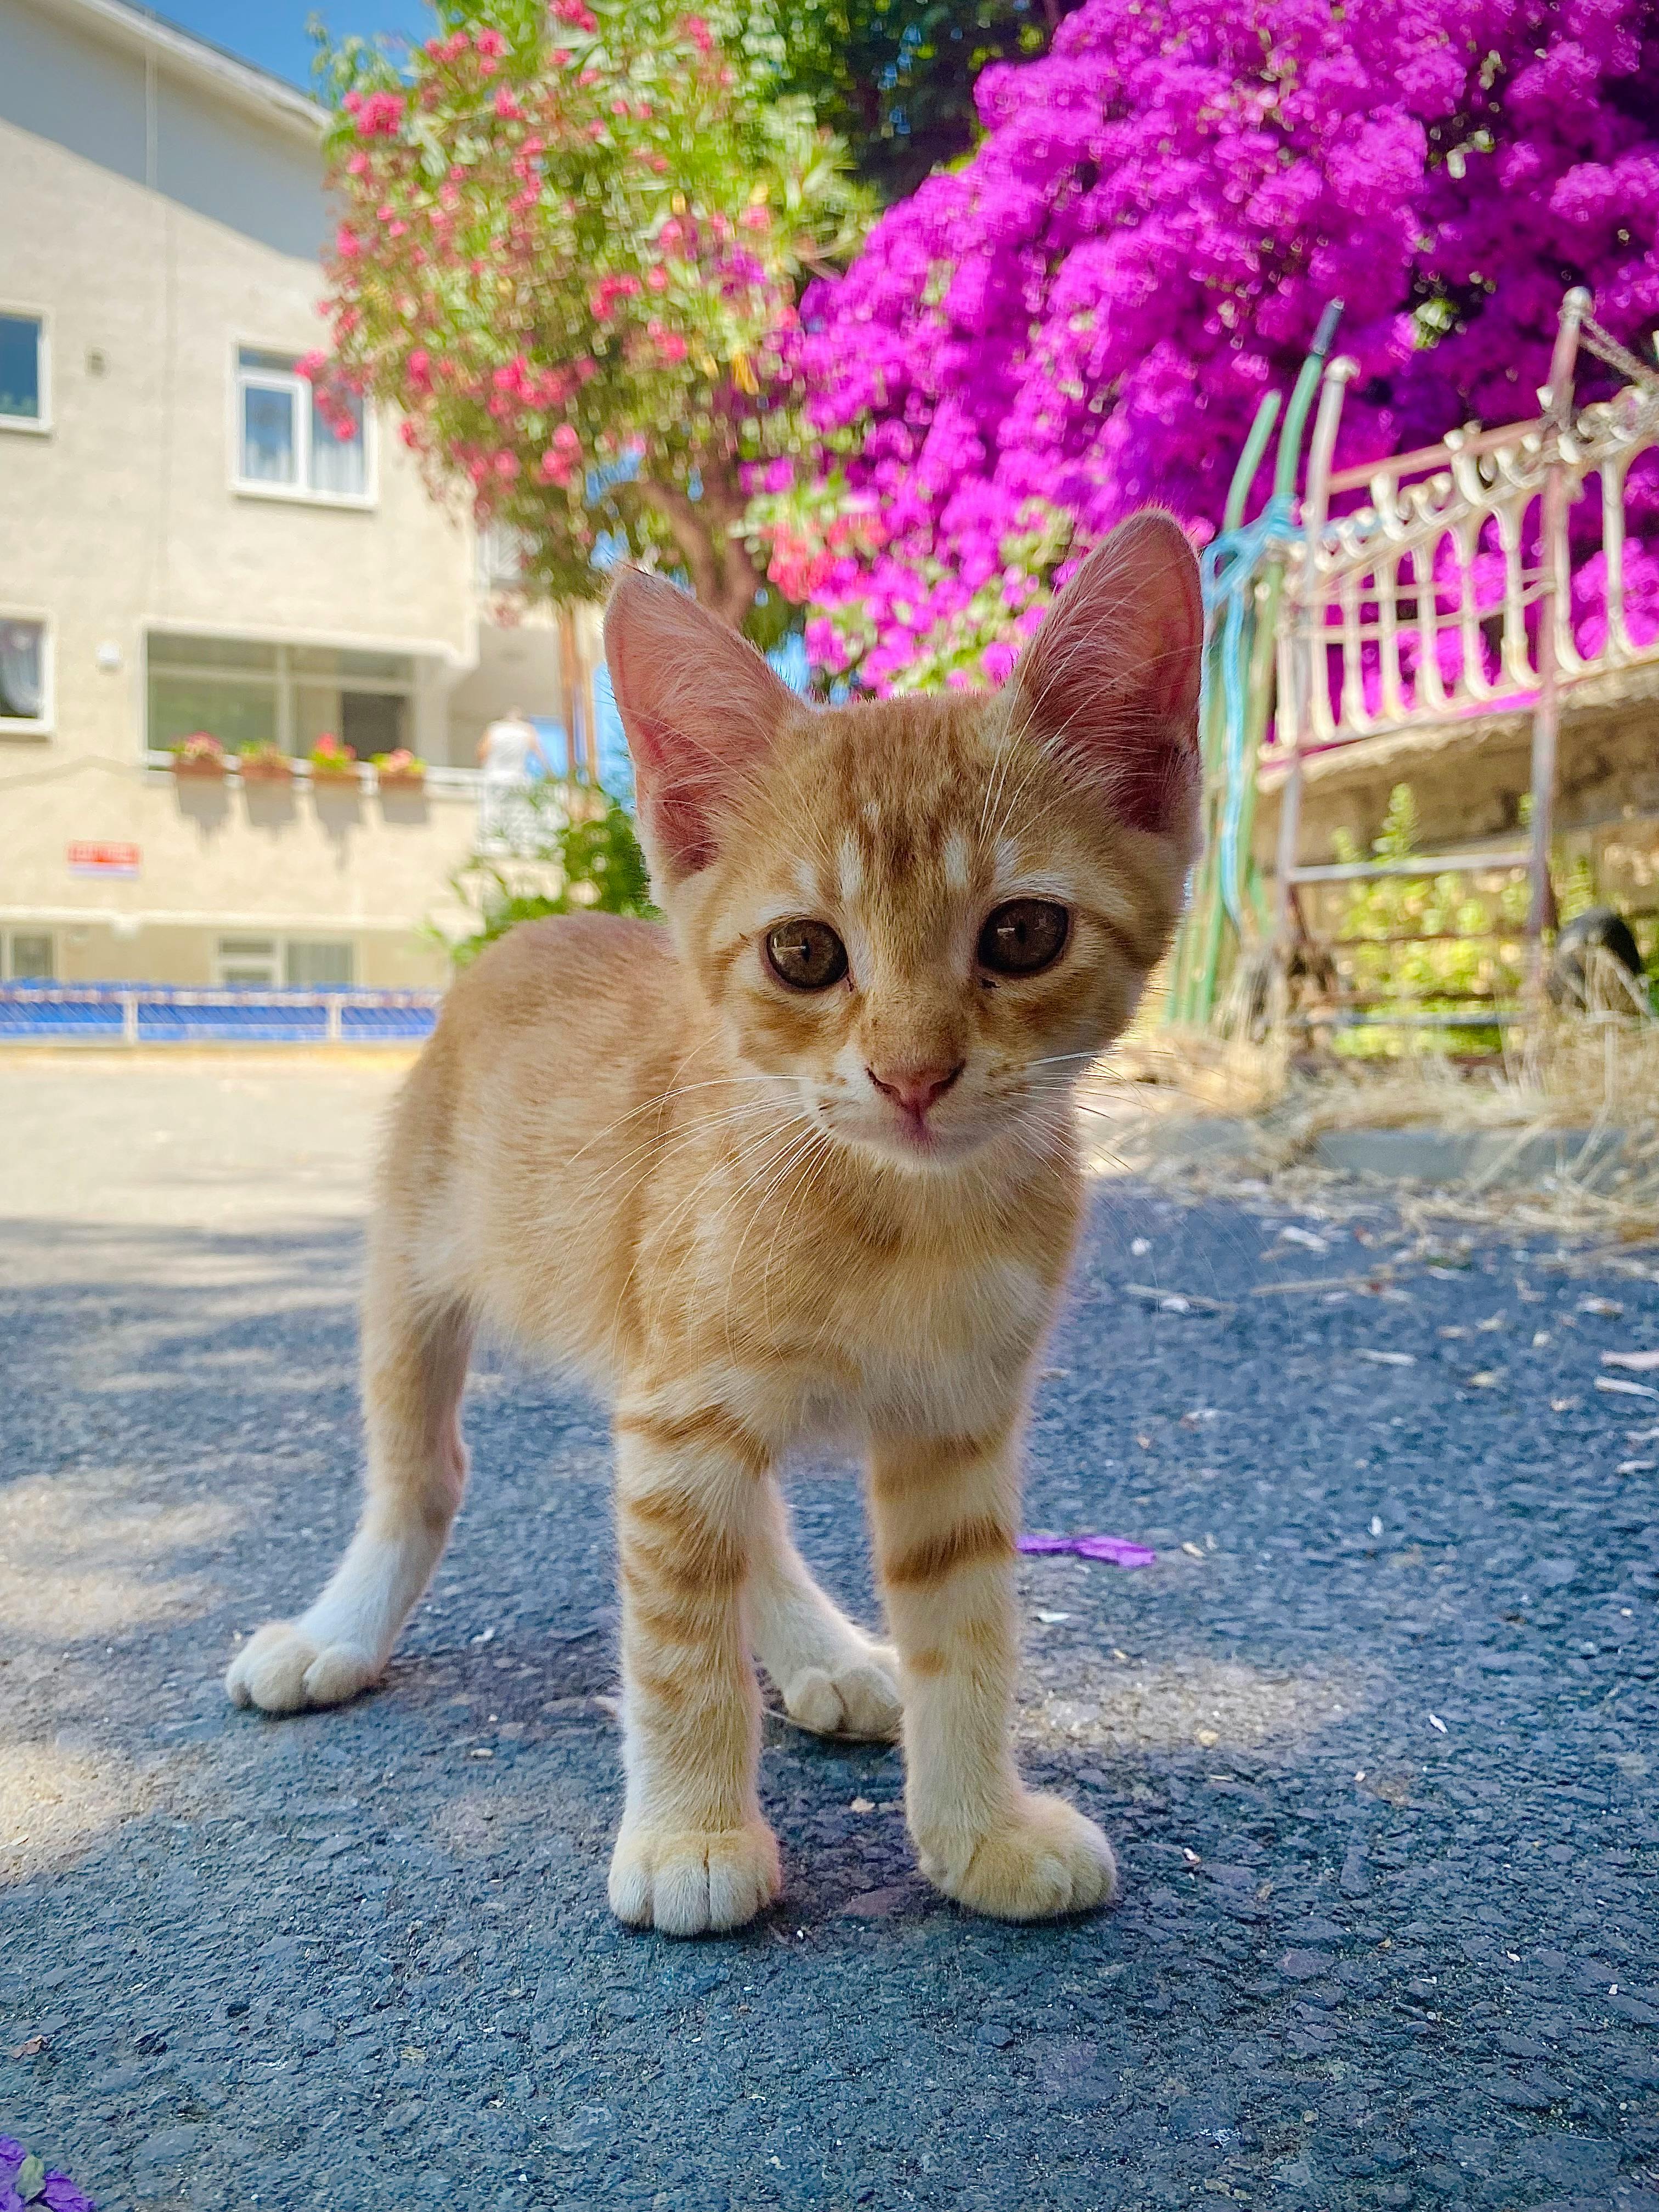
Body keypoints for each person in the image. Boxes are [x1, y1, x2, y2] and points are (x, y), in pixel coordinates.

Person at [476, 706, 551, 853]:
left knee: (491, 813)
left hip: (494, 777)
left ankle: (489, 844)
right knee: (517, 815)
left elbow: (481, 753)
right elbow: (539, 753)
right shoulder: (527, 731)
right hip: (517, 779)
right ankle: (517, 846)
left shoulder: (495, 729)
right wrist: (549, 774)